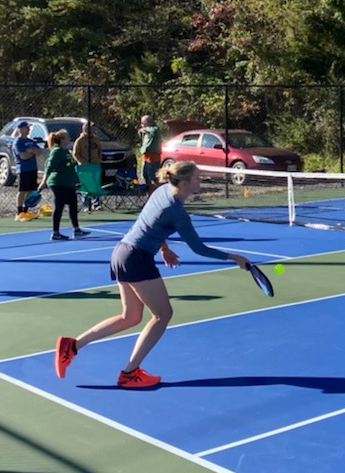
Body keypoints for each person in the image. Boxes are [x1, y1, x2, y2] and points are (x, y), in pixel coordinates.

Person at [54, 161, 250, 388]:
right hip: (136, 258)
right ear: (186, 182)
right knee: (162, 314)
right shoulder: (176, 211)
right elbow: (198, 248)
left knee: (131, 317)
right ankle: (129, 373)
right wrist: (234, 258)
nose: (200, 181)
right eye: (197, 177)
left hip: (122, 252)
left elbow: (149, 222)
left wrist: (164, 248)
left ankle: (73, 346)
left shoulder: (161, 191)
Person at [42, 129, 89, 241]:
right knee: (59, 207)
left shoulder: (66, 151)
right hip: (58, 183)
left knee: (73, 205)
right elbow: (49, 166)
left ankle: (76, 230)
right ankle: (55, 232)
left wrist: (76, 180)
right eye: (67, 136)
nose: (69, 138)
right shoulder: (57, 151)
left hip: (68, 183)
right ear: (62, 139)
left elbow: (70, 167)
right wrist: (44, 182)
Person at [13, 122, 45, 221]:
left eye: (28, 127)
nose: (28, 129)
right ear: (20, 129)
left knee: (30, 190)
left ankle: (26, 211)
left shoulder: (30, 141)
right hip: (23, 170)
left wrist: (31, 151)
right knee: (22, 190)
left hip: (33, 169)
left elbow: (39, 152)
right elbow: (23, 156)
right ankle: (19, 212)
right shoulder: (18, 142)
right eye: (26, 128)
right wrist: (32, 152)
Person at [138, 115, 162, 190]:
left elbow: (152, 132)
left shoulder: (155, 129)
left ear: (148, 122)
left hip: (153, 158)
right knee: (145, 176)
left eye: (143, 123)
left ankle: (157, 191)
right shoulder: (145, 131)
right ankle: (148, 191)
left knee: (153, 177)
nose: (141, 125)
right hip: (145, 157)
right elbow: (141, 135)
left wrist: (145, 130)